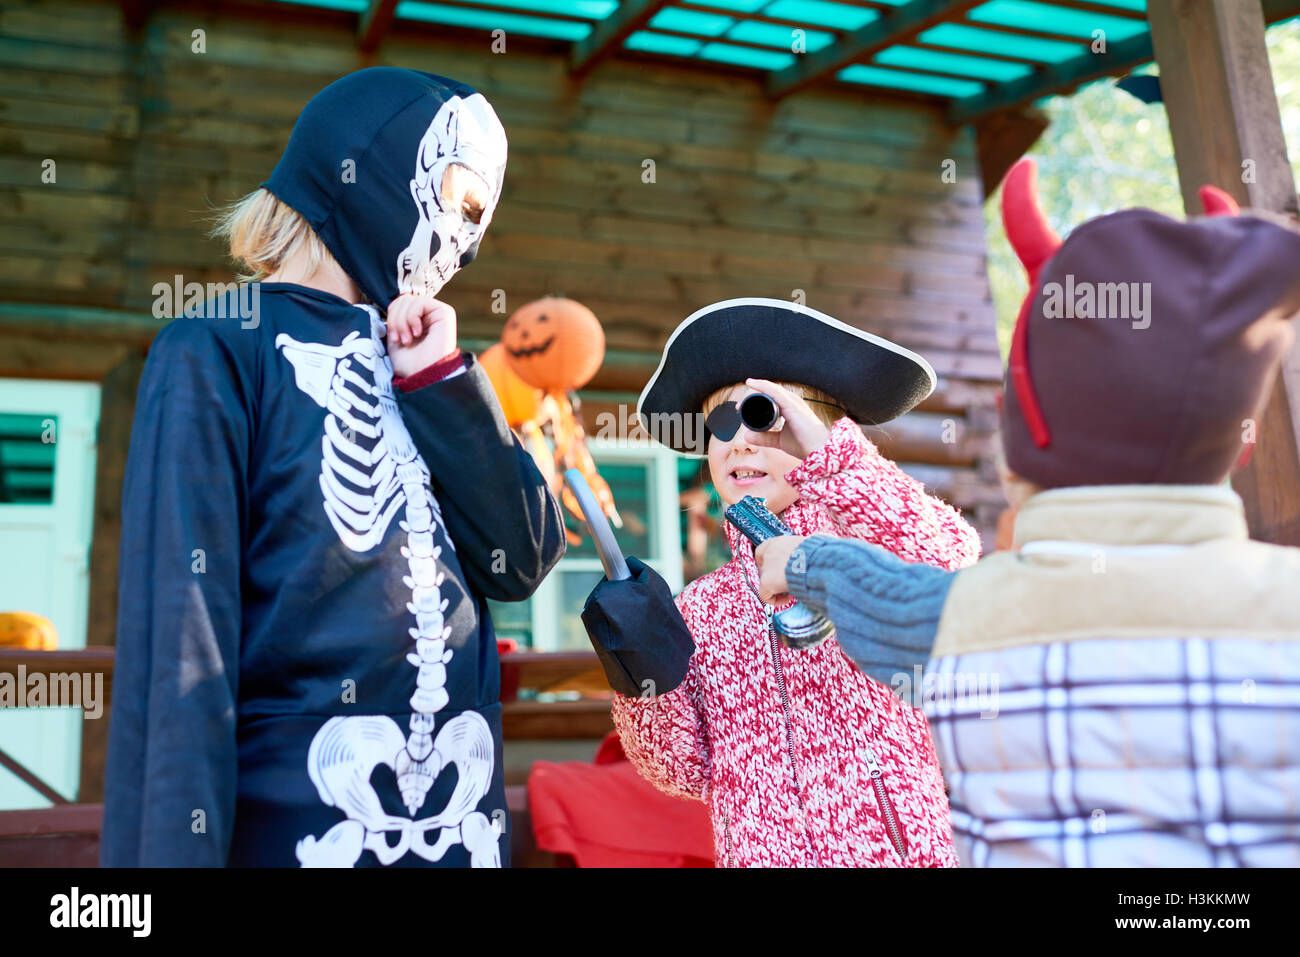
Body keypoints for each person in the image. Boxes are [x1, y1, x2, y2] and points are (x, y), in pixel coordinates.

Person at [754, 160, 1300, 867]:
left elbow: (869, 588)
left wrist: (796, 559)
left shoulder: (963, 618)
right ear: (1241, 443)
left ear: (1021, 429)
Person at [101, 67, 566, 867]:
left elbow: (520, 557)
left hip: (463, 818)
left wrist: (444, 383)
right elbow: (183, 648)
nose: (469, 240)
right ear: (372, 165)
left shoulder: (424, 357)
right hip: (302, 825)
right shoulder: (220, 343)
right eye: (462, 203)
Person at [580, 298, 982, 867]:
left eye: (763, 415)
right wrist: (644, 670)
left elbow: (948, 555)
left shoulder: (870, 548)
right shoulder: (703, 605)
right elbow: (679, 769)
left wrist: (837, 465)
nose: (738, 440)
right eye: (720, 424)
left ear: (823, 430)